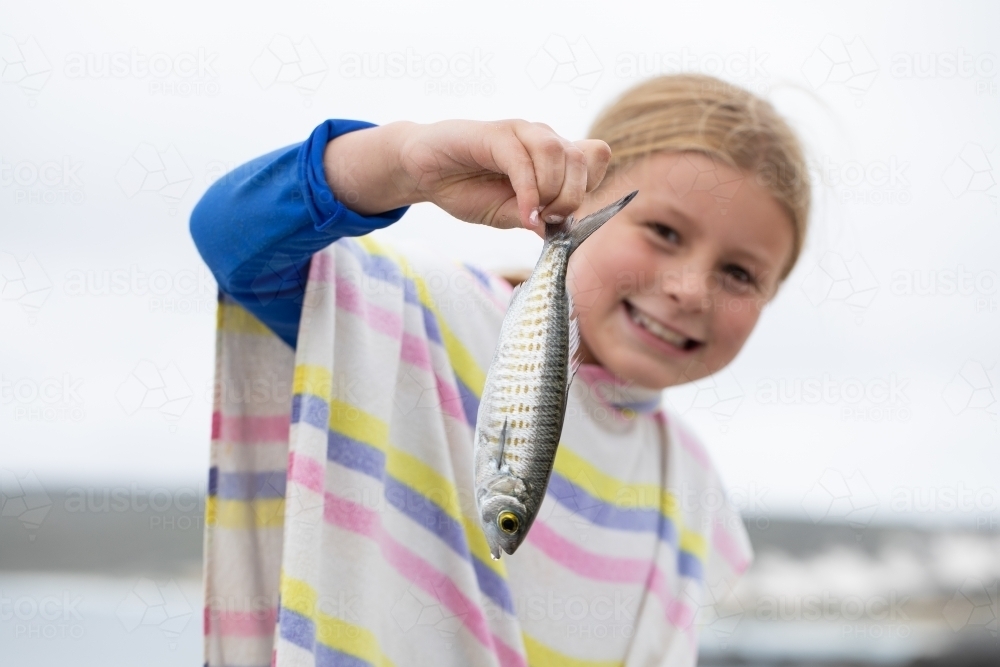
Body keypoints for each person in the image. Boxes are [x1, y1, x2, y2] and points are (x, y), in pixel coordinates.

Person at [190, 73, 810, 667]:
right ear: (583, 202)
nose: (690, 289)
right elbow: (231, 237)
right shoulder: (423, 320)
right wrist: (401, 163)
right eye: (664, 231)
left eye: (740, 274)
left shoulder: (693, 490)